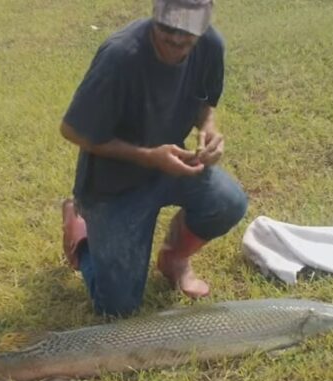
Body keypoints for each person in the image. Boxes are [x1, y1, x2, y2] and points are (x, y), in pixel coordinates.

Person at [59, 0, 247, 317]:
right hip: (111, 187)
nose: (175, 39)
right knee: (117, 308)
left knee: (228, 202)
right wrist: (148, 157)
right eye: (167, 27)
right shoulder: (120, 57)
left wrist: (209, 130)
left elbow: (205, 102)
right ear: (154, 13)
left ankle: (174, 259)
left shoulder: (211, 45)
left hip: (170, 164)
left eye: (186, 32)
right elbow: (72, 129)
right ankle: (81, 232)